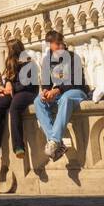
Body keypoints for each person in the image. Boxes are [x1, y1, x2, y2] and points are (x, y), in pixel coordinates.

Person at [35, 31, 90, 160]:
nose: (61, 47)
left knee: (66, 98)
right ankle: (57, 145)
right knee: (38, 101)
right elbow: (46, 83)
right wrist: (45, 91)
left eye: (62, 44)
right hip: (59, 91)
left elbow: (75, 81)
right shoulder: (47, 60)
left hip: (77, 91)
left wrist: (57, 90)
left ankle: (54, 140)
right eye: (57, 44)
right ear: (49, 45)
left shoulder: (72, 57)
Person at [0, 39, 39, 160]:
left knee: (15, 107)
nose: (9, 51)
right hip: (14, 91)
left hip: (27, 92)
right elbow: (9, 77)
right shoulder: (10, 61)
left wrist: (11, 88)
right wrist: (7, 85)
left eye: (10, 49)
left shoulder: (29, 63)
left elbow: (26, 84)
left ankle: (19, 147)